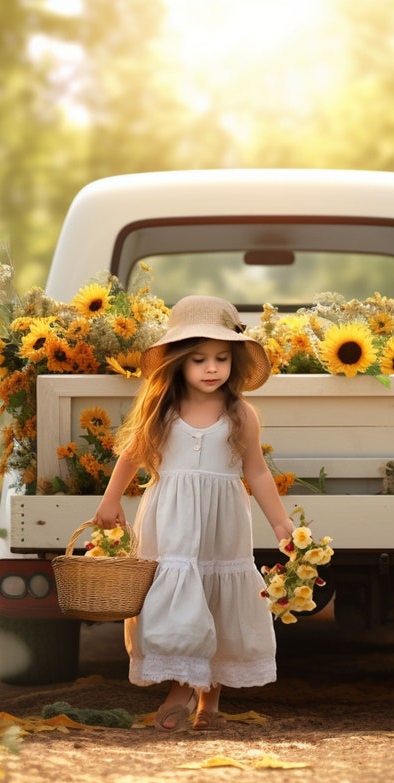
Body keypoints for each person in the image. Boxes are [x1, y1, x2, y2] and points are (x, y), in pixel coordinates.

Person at [93, 295, 295, 731]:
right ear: (178, 362)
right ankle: (181, 689)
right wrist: (110, 499)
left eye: (222, 358)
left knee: (217, 598)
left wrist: (280, 521)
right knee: (181, 598)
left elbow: (257, 471)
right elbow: (131, 455)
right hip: (172, 521)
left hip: (223, 521)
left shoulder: (241, 414)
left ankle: (209, 705)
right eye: (199, 359)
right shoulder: (162, 410)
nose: (211, 368)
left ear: (234, 362)